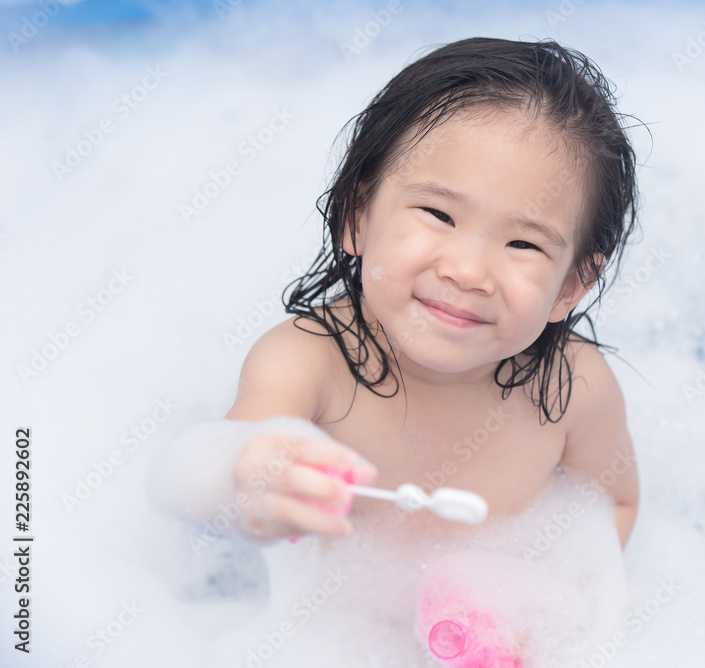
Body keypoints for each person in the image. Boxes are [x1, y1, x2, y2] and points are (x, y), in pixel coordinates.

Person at [149, 38, 641, 655]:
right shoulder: (308, 359)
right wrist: (244, 478)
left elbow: (614, 501)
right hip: (327, 636)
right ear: (358, 216)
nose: (467, 270)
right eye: (438, 213)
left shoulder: (573, 389)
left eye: (523, 245)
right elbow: (220, 462)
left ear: (570, 285)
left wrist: (537, 608)